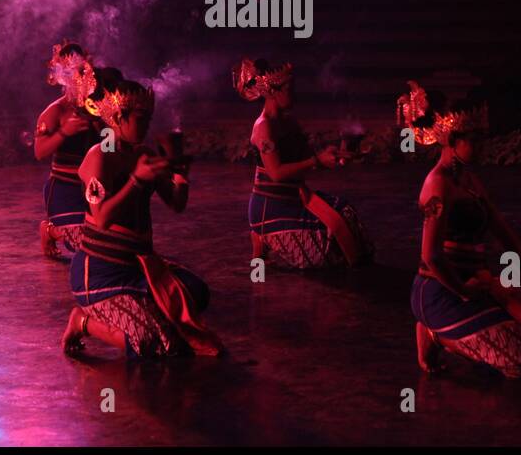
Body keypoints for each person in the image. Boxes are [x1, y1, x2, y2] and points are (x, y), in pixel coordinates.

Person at [400, 82, 521, 376]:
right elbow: (431, 256)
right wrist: (463, 292)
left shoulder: (470, 180)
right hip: (440, 291)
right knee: (520, 360)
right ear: (452, 140)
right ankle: (435, 335)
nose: (483, 147)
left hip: (474, 283)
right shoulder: (437, 185)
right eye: (475, 140)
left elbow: (500, 228)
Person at [61, 73, 223, 358]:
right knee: (149, 343)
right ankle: (81, 321)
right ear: (118, 118)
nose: (146, 126)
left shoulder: (142, 154)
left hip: (136, 266)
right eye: (140, 119)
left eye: (149, 119)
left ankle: (144, 311)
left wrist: (179, 173)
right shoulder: (97, 157)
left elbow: (176, 203)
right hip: (101, 273)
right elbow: (102, 219)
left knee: (196, 292)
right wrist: (136, 180)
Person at [234, 58, 373, 269]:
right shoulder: (264, 127)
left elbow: (306, 160)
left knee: (345, 215)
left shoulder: (289, 120)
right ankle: (263, 234)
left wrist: (338, 152)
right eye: (289, 88)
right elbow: (277, 173)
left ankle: (267, 240)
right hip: (271, 207)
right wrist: (317, 160)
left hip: (295, 199)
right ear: (273, 90)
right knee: (332, 253)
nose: (295, 93)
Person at [35, 42, 104, 259]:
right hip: (64, 188)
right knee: (84, 245)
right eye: (75, 73)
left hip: (93, 187)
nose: (82, 78)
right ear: (63, 78)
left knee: (106, 239)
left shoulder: (100, 108)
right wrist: (65, 131)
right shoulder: (55, 112)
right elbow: (39, 152)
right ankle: (51, 230)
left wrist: (103, 127)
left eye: (85, 71)